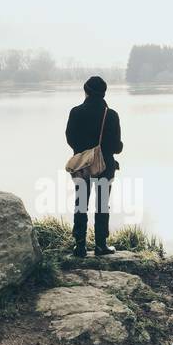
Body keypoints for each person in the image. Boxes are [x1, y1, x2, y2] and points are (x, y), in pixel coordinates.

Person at [65, 76, 124, 257]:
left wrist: (83, 151)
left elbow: (70, 138)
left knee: (81, 203)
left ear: (86, 91)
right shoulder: (111, 115)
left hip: (82, 166)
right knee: (102, 205)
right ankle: (100, 246)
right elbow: (117, 147)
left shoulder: (76, 112)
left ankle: (80, 246)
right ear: (104, 93)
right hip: (104, 166)